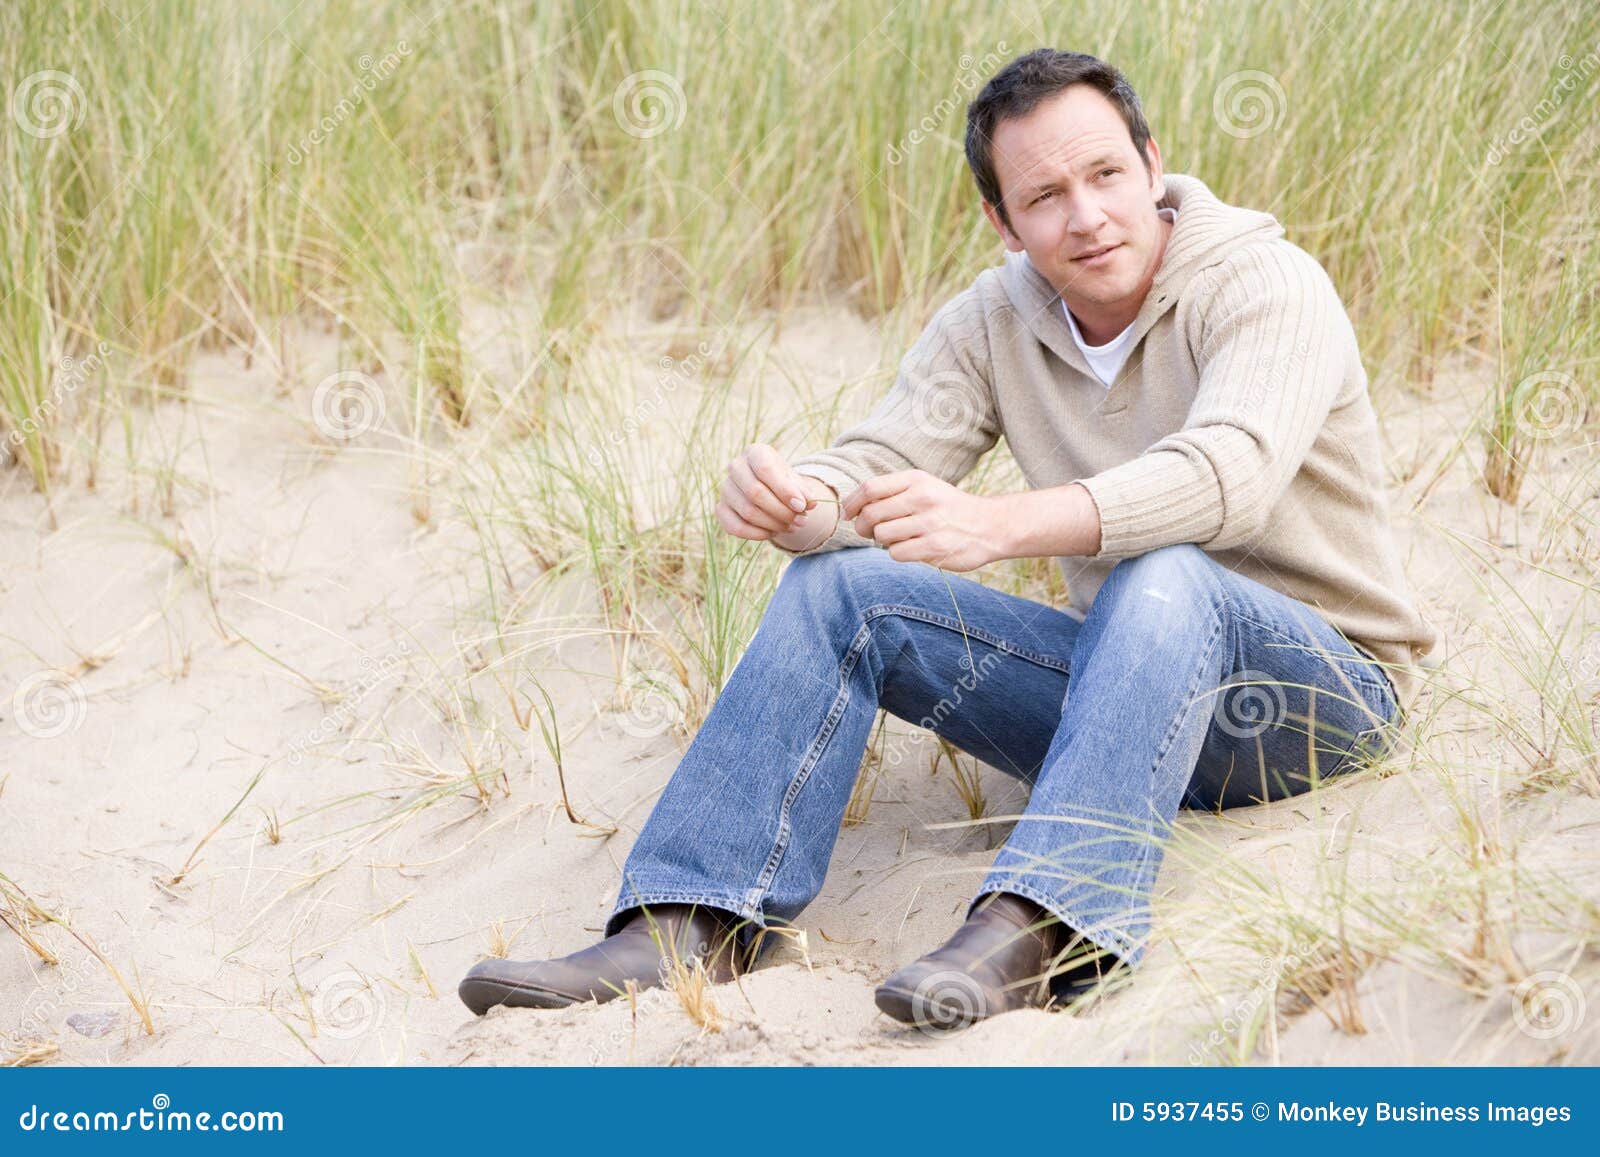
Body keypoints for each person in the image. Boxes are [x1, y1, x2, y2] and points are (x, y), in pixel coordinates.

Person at [458, 48, 1437, 1031]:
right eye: (1044, 195)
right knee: (840, 583)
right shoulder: (992, 321)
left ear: (1151, 162)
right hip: (1126, 703)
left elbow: (1229, 475)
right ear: (1003, 224)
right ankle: (696, 919)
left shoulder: (1265, 283)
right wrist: (807, 504)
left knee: (1166, 570)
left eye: (1104, 175)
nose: (1086, 215)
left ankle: (1049, 927)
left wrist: (998, 522)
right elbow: (880, 460)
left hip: (1316, 705)